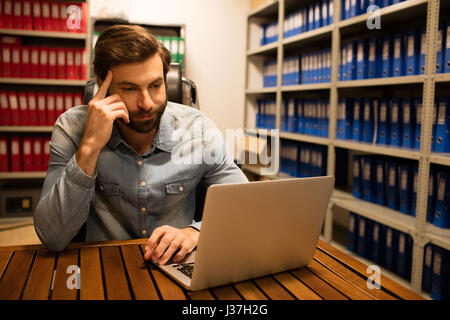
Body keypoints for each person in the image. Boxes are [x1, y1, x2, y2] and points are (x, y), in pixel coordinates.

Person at [33, 25, 248, 265]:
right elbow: (52, 237)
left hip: (175, 266)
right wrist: (90, 146)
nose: (146, 103)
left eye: (155, 86)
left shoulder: (199, 130)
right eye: (130, 89)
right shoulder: (72, 128)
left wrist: (195, 232)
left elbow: (245, 206)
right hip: (102, 267)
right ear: (102, 86)